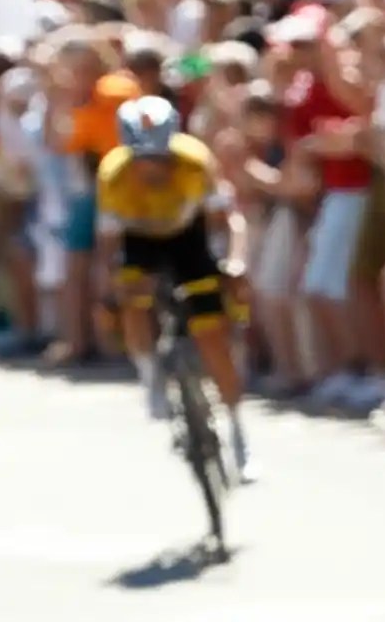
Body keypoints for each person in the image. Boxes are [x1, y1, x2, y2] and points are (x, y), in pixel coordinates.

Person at [94, 95, 254, 482]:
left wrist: (234, 262)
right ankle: (150, 375)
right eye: (143, 158)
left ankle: (238, 433)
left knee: (212, 335)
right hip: (140, 240)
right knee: (131, 295)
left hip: (188, 238)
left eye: (160, 156)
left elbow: (228, 221)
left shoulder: (195, 162)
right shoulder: (114, 174)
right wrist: (110, 286)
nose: (153, 166)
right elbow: (109, 245)